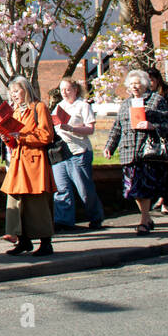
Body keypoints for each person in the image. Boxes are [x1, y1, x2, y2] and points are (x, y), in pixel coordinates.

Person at [104, 69, 168, 234]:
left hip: (147, 152)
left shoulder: (156, 100)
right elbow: (117, 127)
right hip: (128, 151)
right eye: (132, 84)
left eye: (138, 83)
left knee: (144, 187)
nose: (135, 87)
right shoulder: (126, 103)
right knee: (132, 189)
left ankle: (143, 220)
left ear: (145, 84)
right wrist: (109, 146)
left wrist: (152, 126)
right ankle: (147, 218)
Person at [0, 75, 55, 256]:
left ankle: (45, 242)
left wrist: (21, 136)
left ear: (26, 90)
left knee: (37, 203)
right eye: (12, 92)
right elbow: (14, 141)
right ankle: (23, 240)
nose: (14, 95)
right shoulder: (15, 112)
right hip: (17, 162)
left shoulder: (39, 108)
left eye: (17, 91)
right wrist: (7, 137)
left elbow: (46, 136)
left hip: (35, 162)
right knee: (15, 199)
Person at [51, 78, 105, 231]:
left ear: (75, 89)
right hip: (61, 152)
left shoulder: (83, 106)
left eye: (67, 89)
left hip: (79, 151)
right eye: (62, 90)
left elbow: (90, 129)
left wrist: (72, 128)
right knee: (62, 188)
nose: (64, 93)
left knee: (84, 189)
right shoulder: (59, 107)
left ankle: (95, 217)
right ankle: (63, 221)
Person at [147, 67, 168, 217]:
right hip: (152, 138)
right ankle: (158, 198)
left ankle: (164, 201)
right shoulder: (145, 95)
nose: (149, 83)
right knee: (154, 170)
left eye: (151, 80)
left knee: (167, 170)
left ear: (157, 80)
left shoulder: (167, 94)